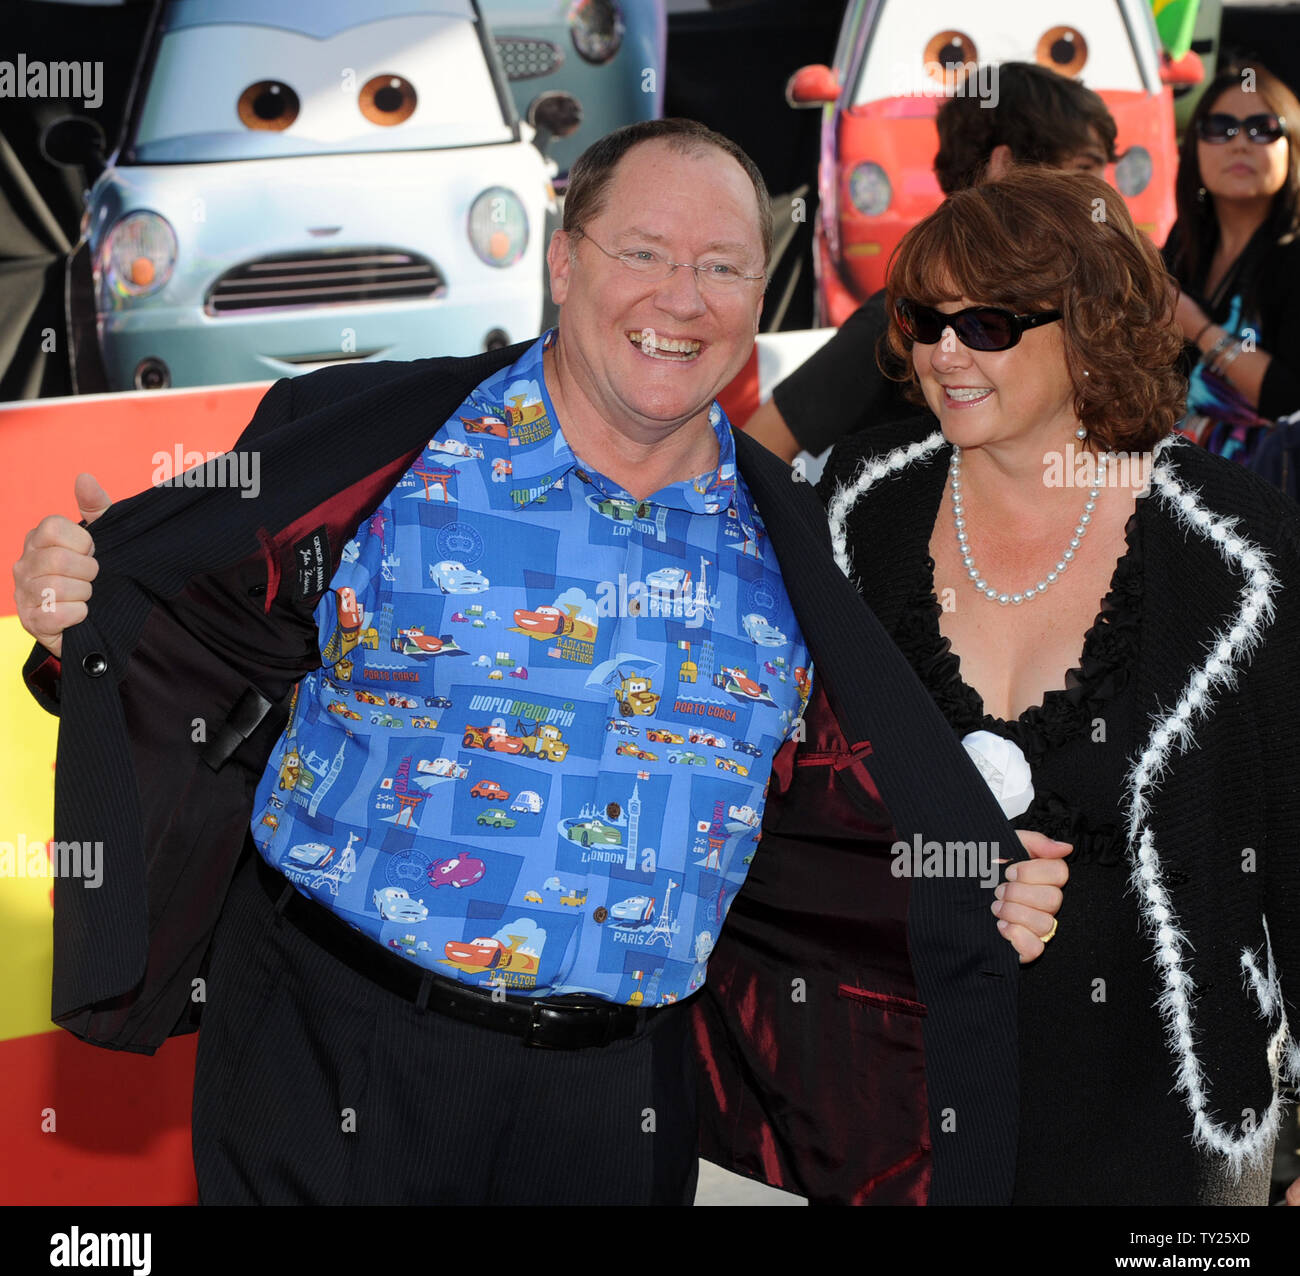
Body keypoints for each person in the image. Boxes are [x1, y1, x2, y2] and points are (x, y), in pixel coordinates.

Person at [12, 120, 1068, 1207]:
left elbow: (826, 826)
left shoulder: (791, 540)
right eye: (644, 253)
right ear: (564, 261)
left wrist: (973, 875)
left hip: (618, 1103)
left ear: (761, 294)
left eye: (721, 267)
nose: (681, 299)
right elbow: (188, 626)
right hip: (340, 1053)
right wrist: (82, 612)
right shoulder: (374, 443)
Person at [818, 164, 1300, 1205]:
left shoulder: (1235, 548)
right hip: (904, 1098)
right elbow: (805, 798)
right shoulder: (861, 509)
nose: (943, 351)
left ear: (1086, 326)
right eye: (922, 318)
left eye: (987, 323)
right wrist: (940, 867)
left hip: (1163, 1123)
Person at [746, 61, 1117, 464]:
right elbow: (760, 447)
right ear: (1005, 166)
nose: (1101, 190)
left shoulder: (1093, 302)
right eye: (1084, 168)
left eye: (992, 329)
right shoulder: (896, 319)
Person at [1165, 63, 1300, 470]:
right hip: (1175, 490)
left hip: (1269, 499)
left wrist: (1199, 328)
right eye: (1220, 127)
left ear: (1292, 146)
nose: (1240, 142)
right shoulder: (1184, 243)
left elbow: (1289, 401)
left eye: (1262, 128)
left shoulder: (1294, 255)